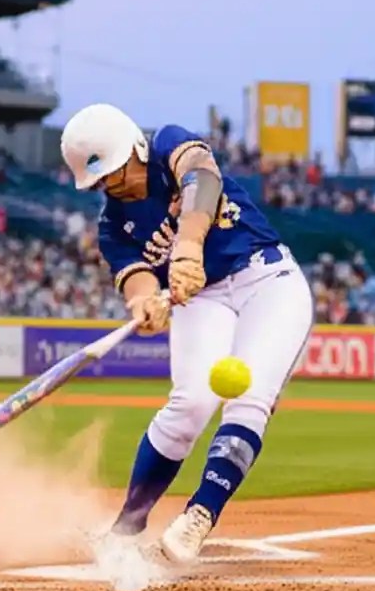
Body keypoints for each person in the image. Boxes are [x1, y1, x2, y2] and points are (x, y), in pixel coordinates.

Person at [61, 103, 314, 565]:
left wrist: (187, 247)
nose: (116, 186)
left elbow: (204, 177)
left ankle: (200, 513)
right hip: (201, 299)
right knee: (190, 403)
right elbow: (137, 283)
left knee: (250, 397)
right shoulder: (113, 228)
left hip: (268, 279)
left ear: (136, 149)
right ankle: (126, 526)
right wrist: (145, 307)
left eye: (118, 173)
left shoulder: (167, 145)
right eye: (102, 183)